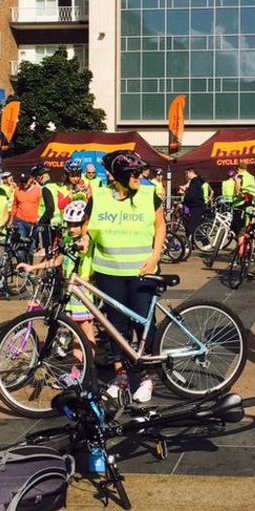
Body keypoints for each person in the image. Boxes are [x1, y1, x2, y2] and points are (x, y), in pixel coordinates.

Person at [87, 150, 166, 403]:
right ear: (120, 174)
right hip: (108, 271)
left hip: (142, 271)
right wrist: (80, 239)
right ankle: (120, 376)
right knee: (115, 327)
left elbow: (160, 225)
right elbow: (88, 229)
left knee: (145, 325)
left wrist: (155, 256)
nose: (139, 176)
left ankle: (148, 377)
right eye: (134, 173)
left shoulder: (147, 193)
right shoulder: (98, 196)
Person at [18, 200, 97, 351]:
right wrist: (32, 266)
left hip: (83, 292)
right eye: (68, 224)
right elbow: (57, 261)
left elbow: (87, 246)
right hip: (70, 291)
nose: (71, 228)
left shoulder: (88, 241)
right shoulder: (67, 240)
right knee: (76, 334)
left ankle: (85, 371)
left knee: (86, 335)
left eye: (75, 224)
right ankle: (79, 371)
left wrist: (85, 240)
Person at [181, 168, 207, 242]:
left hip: (194, 206)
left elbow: (191, 195)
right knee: (195, 224)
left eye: (187, 173)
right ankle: (204, 242)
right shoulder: (198, 181)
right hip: (195, 205)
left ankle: (189, 245)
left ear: (191, 172)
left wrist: (185, 201)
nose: (186, 175)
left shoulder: (194, 181)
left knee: (191, 226)